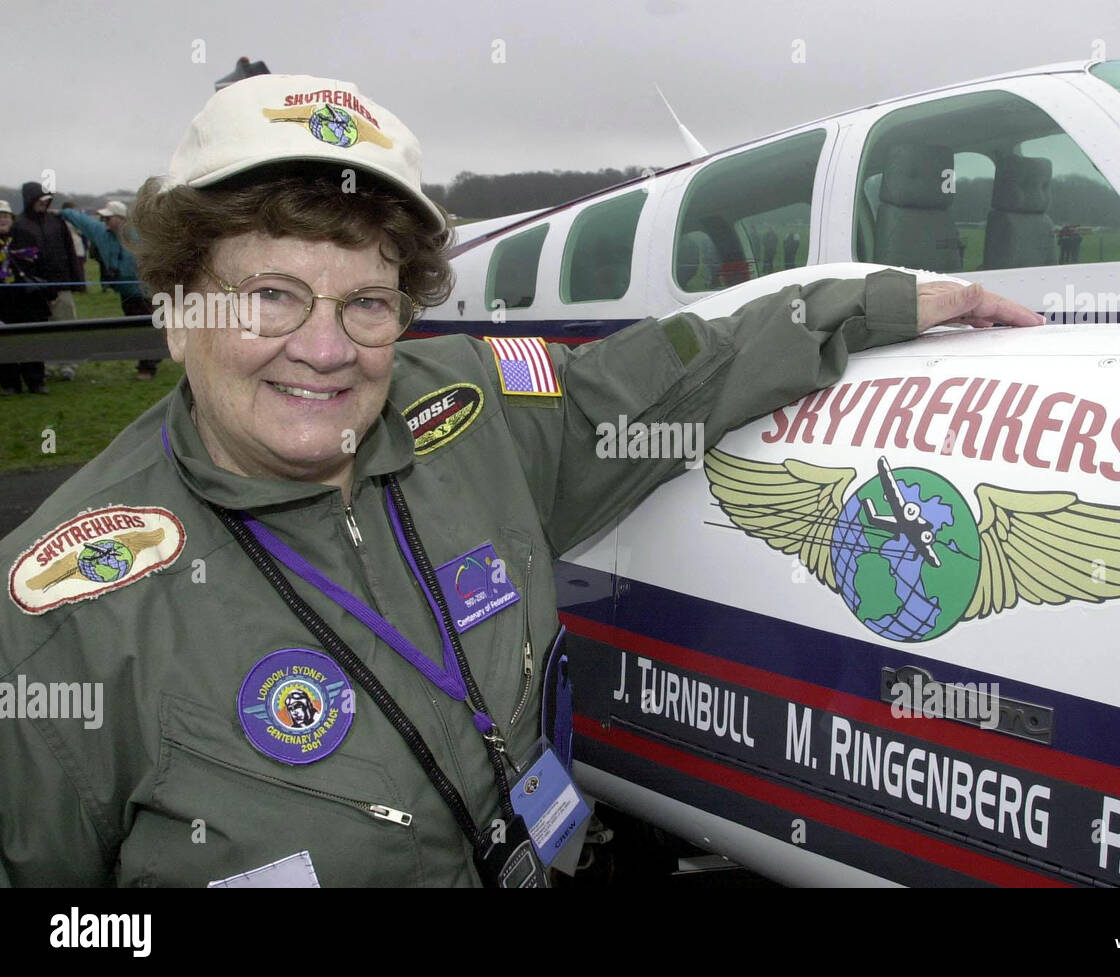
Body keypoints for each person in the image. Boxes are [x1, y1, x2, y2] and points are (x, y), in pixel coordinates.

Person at [0, 74, 1042, 887]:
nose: (324, 348)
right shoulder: (60, 624)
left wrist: (875, 305)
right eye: (270, 295)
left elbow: (667, 377)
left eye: (367, 302)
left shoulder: (468, 409)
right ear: (177, 310)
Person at [59, 200, 161, 380]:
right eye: (104, 217)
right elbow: (84, 221)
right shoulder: (102, 233)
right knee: (136, 327)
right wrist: (64, 213)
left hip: (145, 292)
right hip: (125, 292)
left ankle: (147, 367)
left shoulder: (139, 236)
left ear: (121, 218)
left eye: (109, 217)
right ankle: (154, 355)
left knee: (143, 327)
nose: (105, 220)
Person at [13, 183, 83, 381]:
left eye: (46, 200)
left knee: (67, 325)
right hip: (35, 290)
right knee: (43, 329)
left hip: (62, 285)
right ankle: (48, 365)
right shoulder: (19, 225)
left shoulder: (56, 222)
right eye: (40, 199)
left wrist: (77, 281)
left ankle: (68, 365)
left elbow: (70, 251)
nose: (44, 203)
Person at [0, 199, 51, 394]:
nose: (2, 220)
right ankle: (9, 383)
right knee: (5, 341)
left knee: (32, 338)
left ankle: (36, 381)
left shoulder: (26, 236)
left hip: (28, 298)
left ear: (12, 218)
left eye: (5, 216)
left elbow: (41, 262)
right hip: (2, 300)